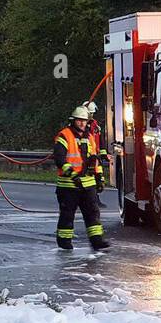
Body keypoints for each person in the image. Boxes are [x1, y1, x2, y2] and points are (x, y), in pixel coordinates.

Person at [53, 106, 109, 250]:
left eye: (84, 121)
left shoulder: (89, 137)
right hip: (68, 185)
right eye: (79, 121)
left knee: (92, 213)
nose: (82, 124)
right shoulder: (64, 136)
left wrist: (100, 177)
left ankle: (97, 240)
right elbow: (59, 159)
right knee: (67, 214)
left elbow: (94, 159)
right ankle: (64, 241)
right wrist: (72, 174)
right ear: (73, 121)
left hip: (88, 184)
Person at [85, 101, 109, 195]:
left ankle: (96, 196)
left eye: (92, 113)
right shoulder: (80, 126)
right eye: (90, 113)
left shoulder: (95, 125)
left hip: (96, 156)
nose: (91, 115)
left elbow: (100, 139)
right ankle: (90, 198)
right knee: (89, 177)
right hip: (87, 156)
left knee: (99, 178)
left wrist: (103, 154)